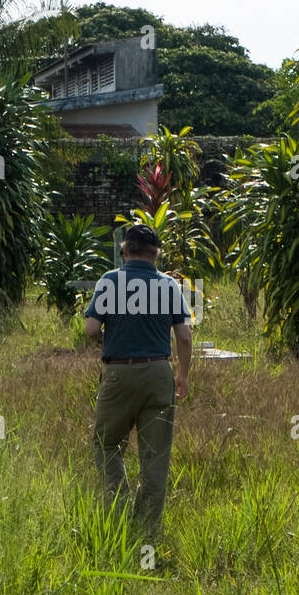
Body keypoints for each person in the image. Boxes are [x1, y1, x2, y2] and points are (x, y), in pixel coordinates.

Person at [84, 223, 192, 538]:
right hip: (160, 372)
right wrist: (182, 376)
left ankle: (118, 512)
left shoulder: (109, 282)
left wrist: (110, 341)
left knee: (106, 445)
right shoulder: (169, 286)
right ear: (155, 255)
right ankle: (146, 530)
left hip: (118, 372)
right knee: (155, 457)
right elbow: (183, 337)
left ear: (126, 251)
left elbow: (91, 330)